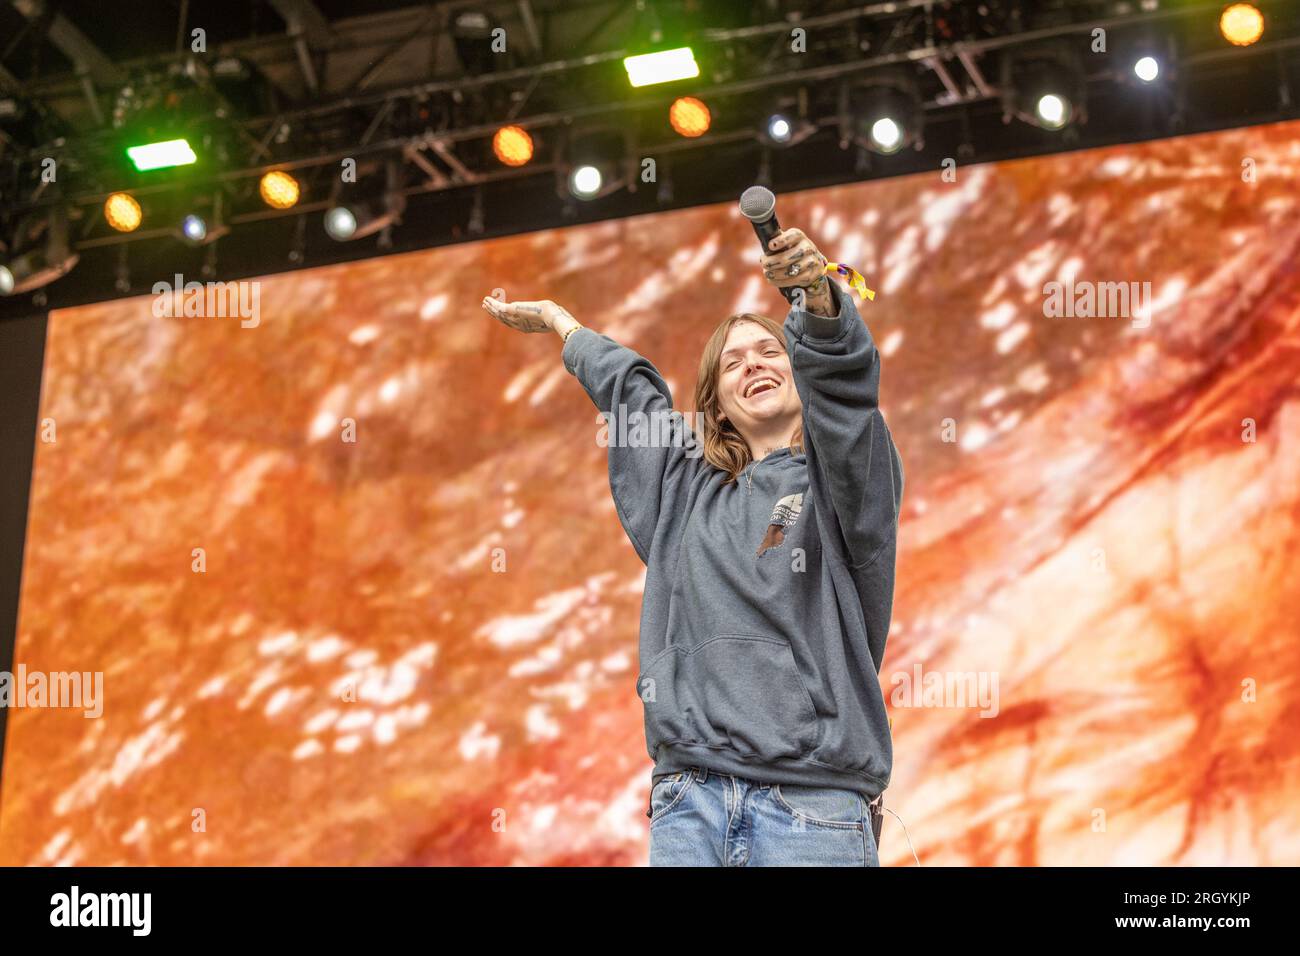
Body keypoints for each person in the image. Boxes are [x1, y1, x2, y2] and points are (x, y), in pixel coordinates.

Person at [482, 226, 903, 866]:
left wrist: (817, 299)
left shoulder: (846, 480)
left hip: (814, 811)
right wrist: (566, 328)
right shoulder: (684, 497)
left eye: (769, 351)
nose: (753, 364)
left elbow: (846, 399)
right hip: (690, 807)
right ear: (718, 405)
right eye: (732, 362)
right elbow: (634, 398)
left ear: (802, 375)